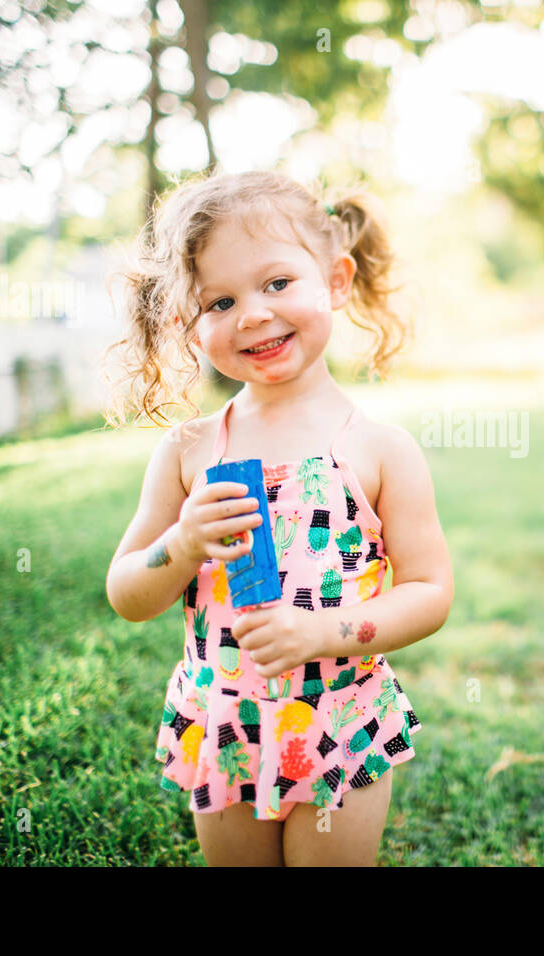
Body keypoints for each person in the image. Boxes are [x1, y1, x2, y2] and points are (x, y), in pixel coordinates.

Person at [103, 170, 453, 866]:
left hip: (339, 719)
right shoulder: (189, 452)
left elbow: (430, 592)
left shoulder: (379, 450)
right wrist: (182, 543)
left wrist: (322, 630)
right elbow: (127, 591)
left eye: (278, 284)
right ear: (188, 322)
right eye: (220, 301)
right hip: (225, 720)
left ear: (337, 279)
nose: (254, 315)